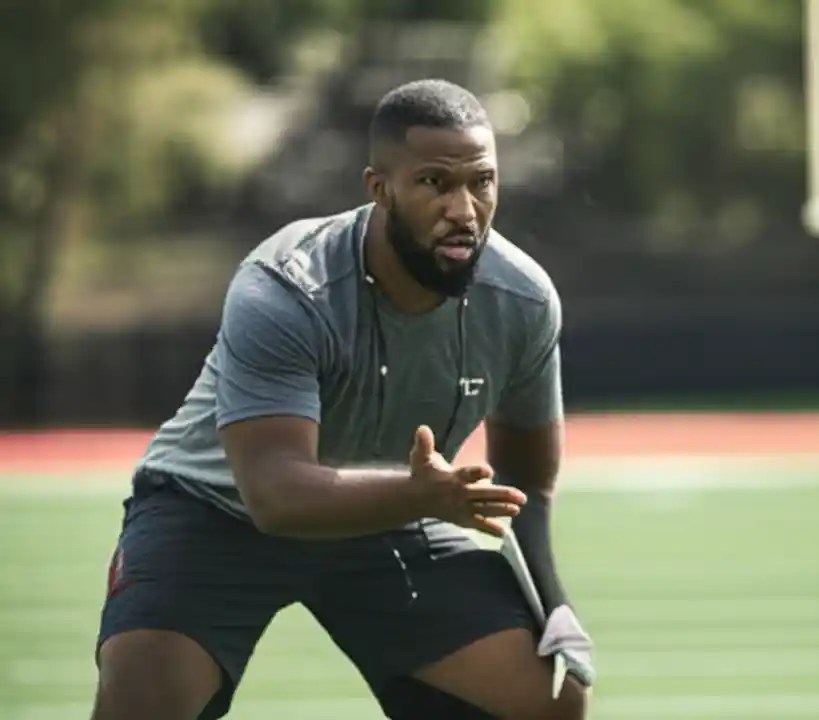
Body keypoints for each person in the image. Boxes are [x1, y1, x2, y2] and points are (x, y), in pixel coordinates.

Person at [90, 78, 593, 720]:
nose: (465, 209)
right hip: (215, 511)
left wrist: (554, 600)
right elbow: (274, 494)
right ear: (379, 189)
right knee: (143, 702)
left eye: (482, 182)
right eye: (436, 183)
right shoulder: (288, 287)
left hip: (388, 515)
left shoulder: (521, 300)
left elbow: (527, 478)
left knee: (549, 701)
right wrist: (421, 496)